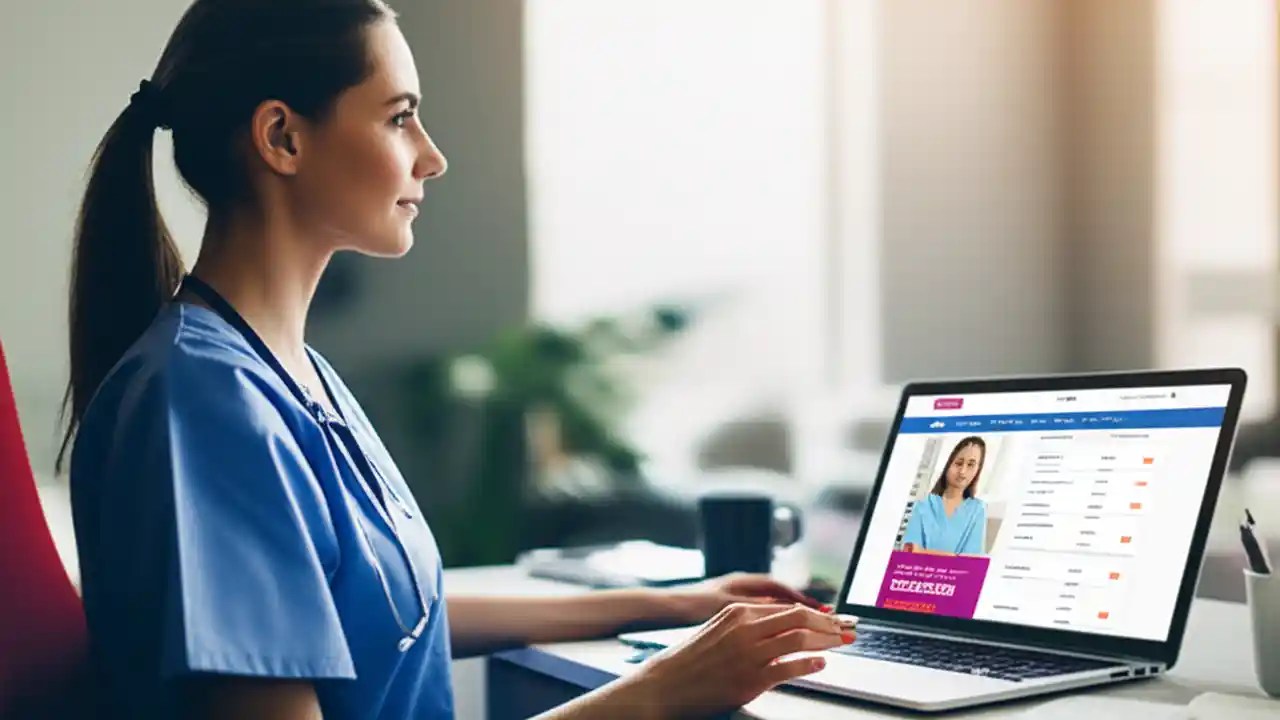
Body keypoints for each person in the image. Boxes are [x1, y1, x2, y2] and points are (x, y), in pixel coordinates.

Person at [60, 1, 856, 718]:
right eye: (399, 117)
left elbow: (391, 617)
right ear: (283, 137)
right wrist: (658, 694)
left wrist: (671, 606)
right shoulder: (206, 403)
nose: (431, 157)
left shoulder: (289, 372)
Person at [901, 436, 988, 556]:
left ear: (978, 470)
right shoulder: (923, 504)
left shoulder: (978, 509)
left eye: (971, 465)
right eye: (958, 463)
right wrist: (952, 557)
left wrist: (923, 552)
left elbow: (971, 562)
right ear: (949, 464)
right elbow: (909, 553)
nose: (962, 471)